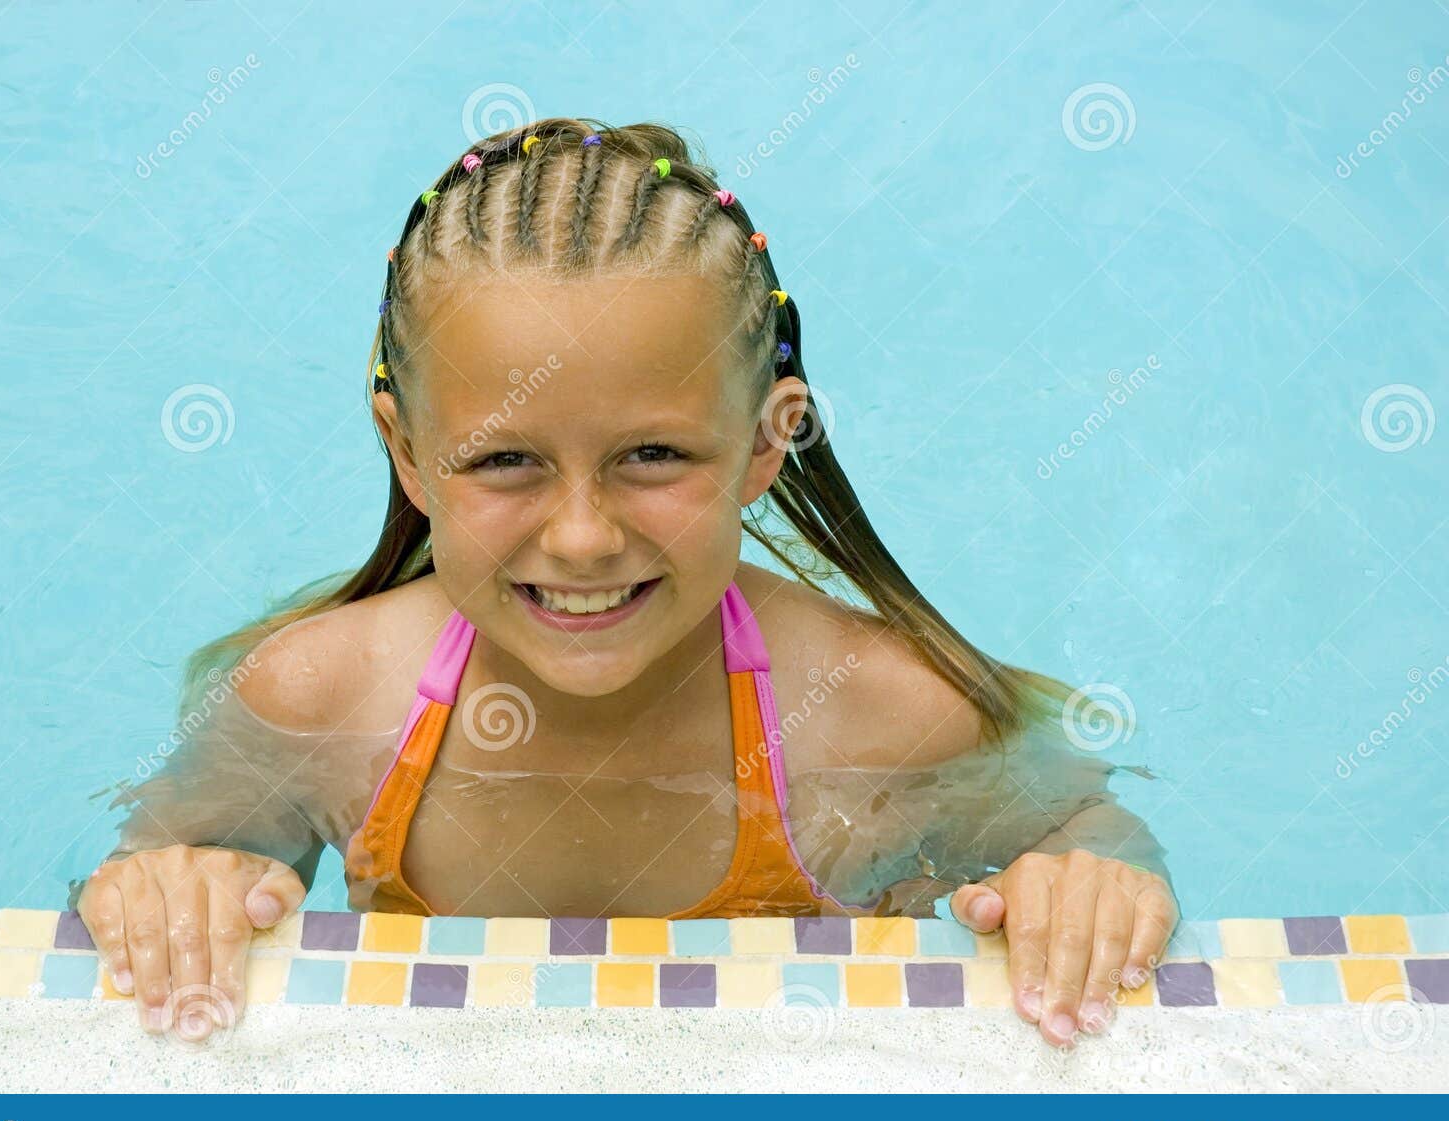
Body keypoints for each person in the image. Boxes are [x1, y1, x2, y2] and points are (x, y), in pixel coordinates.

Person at [77, 118, 1177, 1051]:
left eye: (653, 456)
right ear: (407, 453)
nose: (583, 535)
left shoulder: (878, 714)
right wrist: (169, 892)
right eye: (505, 460)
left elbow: (1089, 828)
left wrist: (1087, 883)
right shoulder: (321, 702)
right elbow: (155, 871)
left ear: (762, 443)